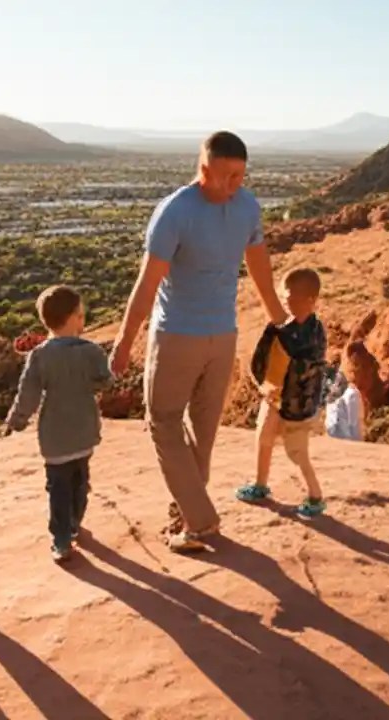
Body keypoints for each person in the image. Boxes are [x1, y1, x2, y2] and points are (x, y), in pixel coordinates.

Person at [110, 131, 288, 554]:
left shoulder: (239, 205)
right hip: (194, 335)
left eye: (240, 176)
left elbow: (260, 265)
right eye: (226, 176)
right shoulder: (176, 210)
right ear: (203, 168)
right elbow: (147, 284)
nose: (234, 186)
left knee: (176, 425)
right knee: (184, 428)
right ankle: (189, 519)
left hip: (202, 337)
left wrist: (277, 316)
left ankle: (199, 519)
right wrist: (124, 339)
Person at [5, 286, 113, 563]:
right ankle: (75, 522)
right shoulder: (91, 351)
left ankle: (61, 540)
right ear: (77, 317)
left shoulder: (40, 356)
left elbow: (27, 394)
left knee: (58, 487)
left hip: (54, 437)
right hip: (85, 432)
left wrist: (16, 420)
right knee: (80, 480)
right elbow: (106, 380)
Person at [236, 268, 329, 517]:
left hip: (296, 404)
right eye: (283, 296)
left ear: (310, 300)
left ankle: (315, 496)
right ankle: (260, 484)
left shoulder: (311, 333)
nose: (284, 302)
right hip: (274, 396)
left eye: (289, 298)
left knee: (297, 452)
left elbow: (302, 358)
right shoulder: (284, 327)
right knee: (264, 437)